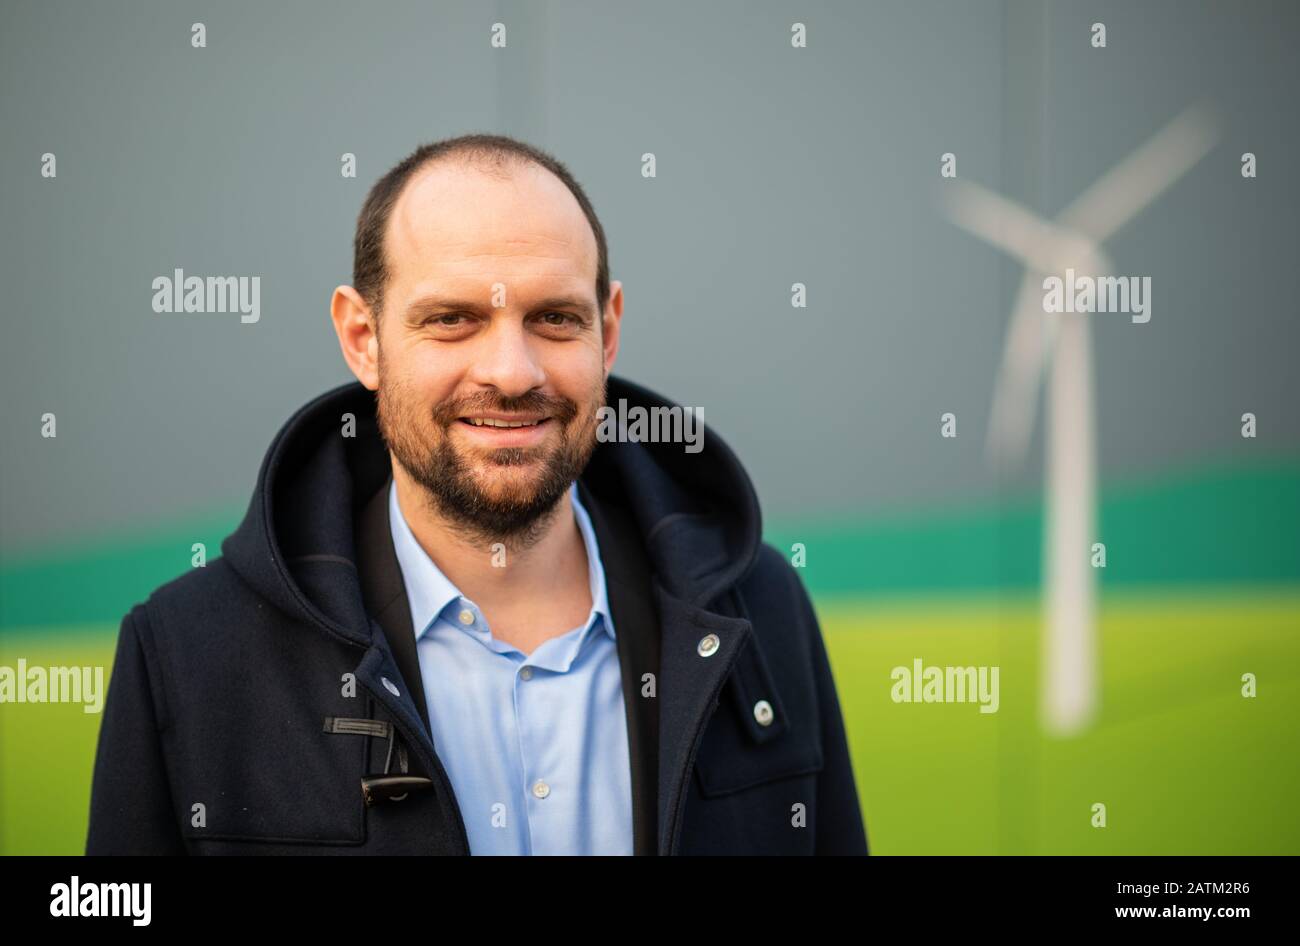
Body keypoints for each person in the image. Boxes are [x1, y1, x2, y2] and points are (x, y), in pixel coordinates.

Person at [86, 133, 868, 855]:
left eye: (556, 318)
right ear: (363, 338)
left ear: (609, 330)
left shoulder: (757, 608)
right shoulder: (188, 655)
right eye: (453, 319)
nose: (512, 372)